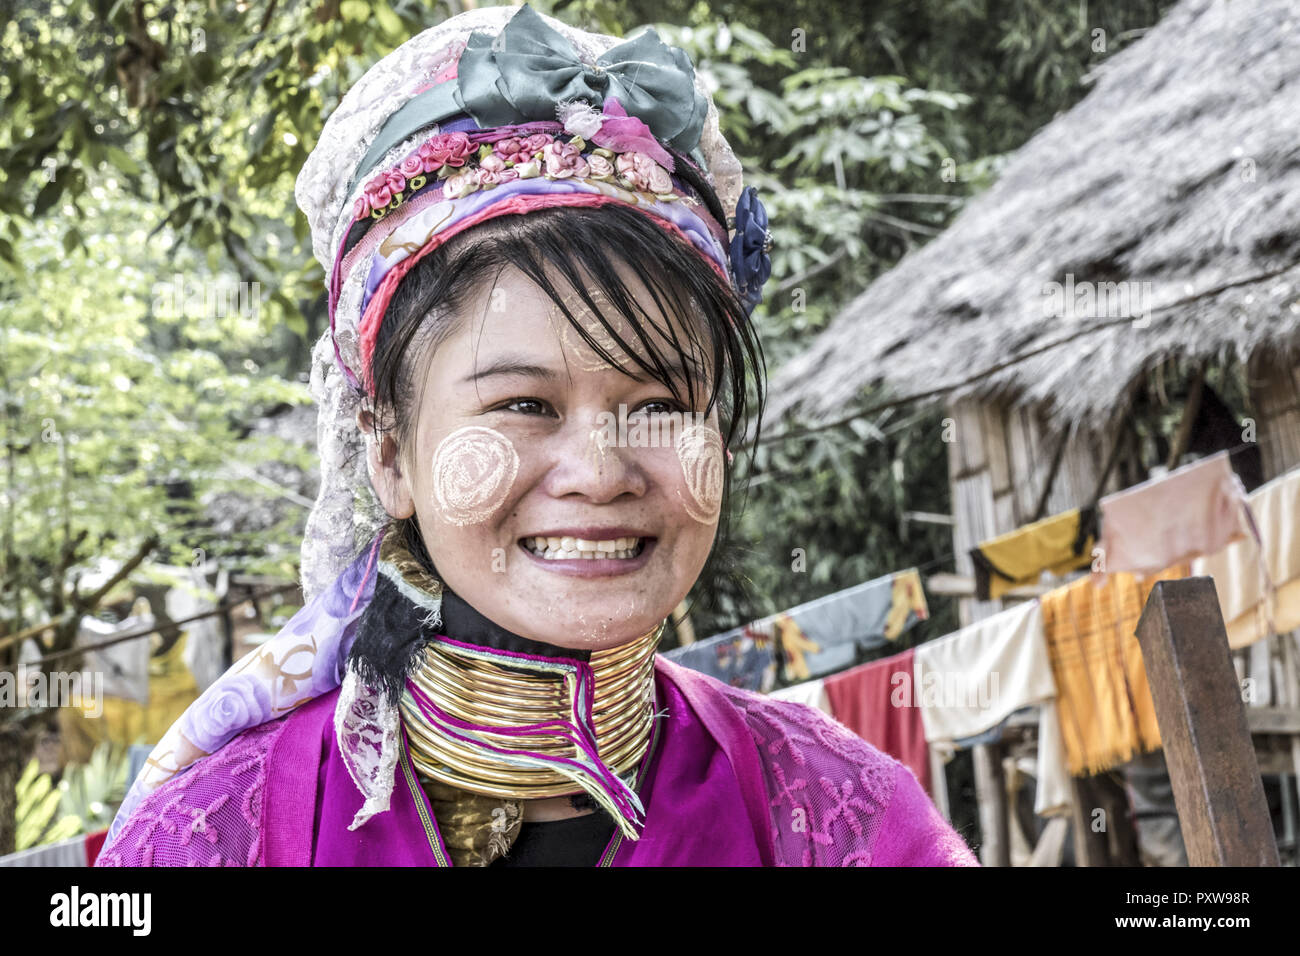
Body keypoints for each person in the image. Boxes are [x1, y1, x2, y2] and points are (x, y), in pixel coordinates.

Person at [96, 3, 977, 867]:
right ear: (390, 452)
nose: (600, 474)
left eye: (661, 403)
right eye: (524, 405)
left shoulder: (846, 823)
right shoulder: (215, 838)